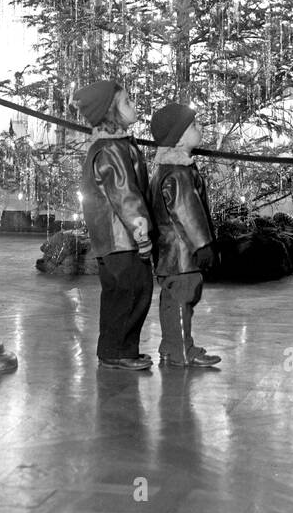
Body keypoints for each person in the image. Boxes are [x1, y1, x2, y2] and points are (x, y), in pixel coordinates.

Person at [74, 80, 156, 371]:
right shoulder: (110, 150)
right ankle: (117, 351)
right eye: (126, 102)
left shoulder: (116, 145)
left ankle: (117, 349)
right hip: (121, 238)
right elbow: (125, 196)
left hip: (116, 238)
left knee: (122, 293)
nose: (134, 105)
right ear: (110, 113)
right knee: (132, 290)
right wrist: (140, 231)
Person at [149, 102, 221, 368]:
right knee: (183, 299)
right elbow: (187, 212)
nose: (199, 127)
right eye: (193, 125)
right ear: (178, 138)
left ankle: (170, 345)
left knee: (173, 299)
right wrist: (204, 245)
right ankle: (181, 350)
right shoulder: (178, 173)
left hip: (170, 253)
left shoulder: (165, 170)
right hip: (182, 254)